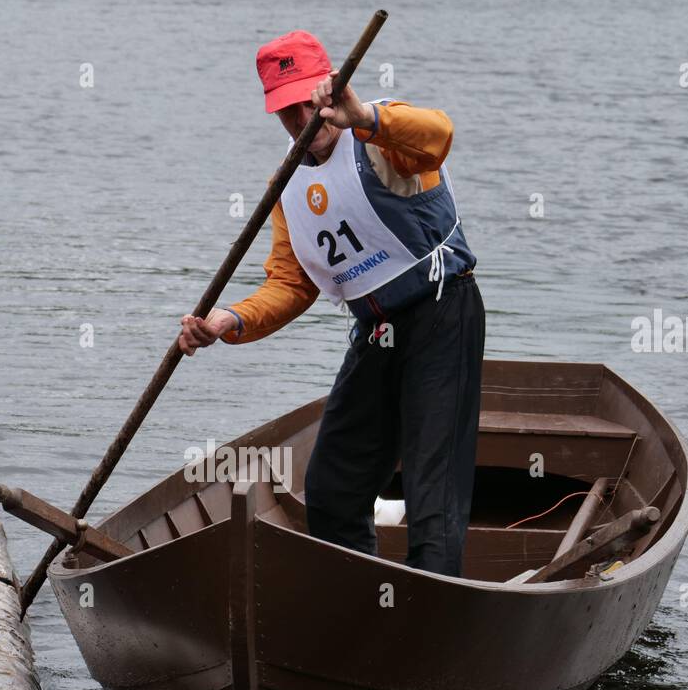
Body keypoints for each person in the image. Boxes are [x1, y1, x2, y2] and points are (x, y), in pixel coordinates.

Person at [177, 30, 485, 578]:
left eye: (307, 104)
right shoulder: (285, 184)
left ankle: (431, 616)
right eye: (286, 113)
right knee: (331, 486)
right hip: (376, 330)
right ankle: (359, 602)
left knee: (430, 479)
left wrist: (362, 115)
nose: (302, 122)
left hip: (442, 313)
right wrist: (230, 319)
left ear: (330, 89)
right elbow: (292, 285)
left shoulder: (380, 131)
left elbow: (440, 136)